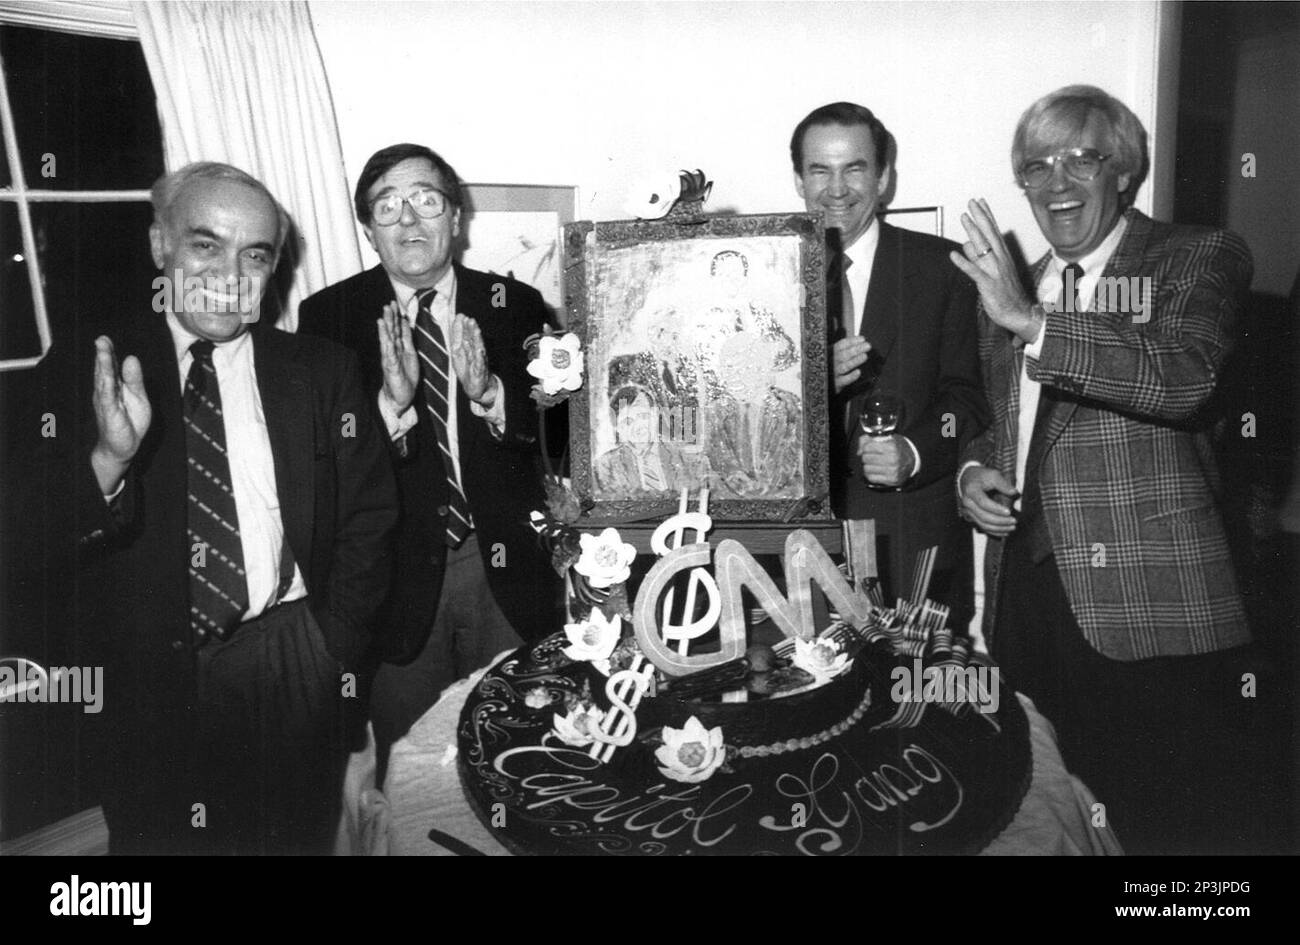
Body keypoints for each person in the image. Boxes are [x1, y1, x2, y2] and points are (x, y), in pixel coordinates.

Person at [32, 162, 398, 853]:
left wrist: (329, 649)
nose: (231, 272)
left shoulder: (320, 370)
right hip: (151, 684)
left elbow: (368, 523)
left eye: (254, 254)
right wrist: (108, 462)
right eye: (206, 244)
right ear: (159, 245)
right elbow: (26, 537)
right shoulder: (90, 367)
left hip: (290, 656)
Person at [953, 85, 1265, 853]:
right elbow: (999, 423)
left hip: (1147, 605)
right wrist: (970, 475)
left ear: (1122, 170)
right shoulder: (1015, 287)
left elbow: (1182, 376)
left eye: (1080, 159)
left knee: (1160, 827)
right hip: (1025, 605)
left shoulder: (1192, 255)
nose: (1055, 183)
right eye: (1035, 166)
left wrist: (1030, 321)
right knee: (1044, 811)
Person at [297, 144, 562, 768]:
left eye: (426, 200)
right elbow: (321, 465)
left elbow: (557, 432)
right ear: (368, 230)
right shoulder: (327, 317)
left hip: (506, 575)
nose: (409, 221)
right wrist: (390, 405)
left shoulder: (513, 303)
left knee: (521, 745)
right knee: (417, 766)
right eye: (387, 207)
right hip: (392, 581)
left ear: (456, 217)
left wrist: (490, 394)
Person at [793, 102, 986, 621]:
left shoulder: (946, 269)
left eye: (855, 168)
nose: (837, 189)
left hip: (912, 540)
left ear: (883, 179)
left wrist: (916, 451)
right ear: (799, 181)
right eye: (820, 170)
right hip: (794, 551)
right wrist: (809, 384)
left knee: (916, 694)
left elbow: (967, 400)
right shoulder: (765, 275)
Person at [593, 384, 710, 497]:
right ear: (617, 427)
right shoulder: (605, 466)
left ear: (654, 415)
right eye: (628, 421)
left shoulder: (688, 457)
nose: (638, 426)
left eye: (643, 416)